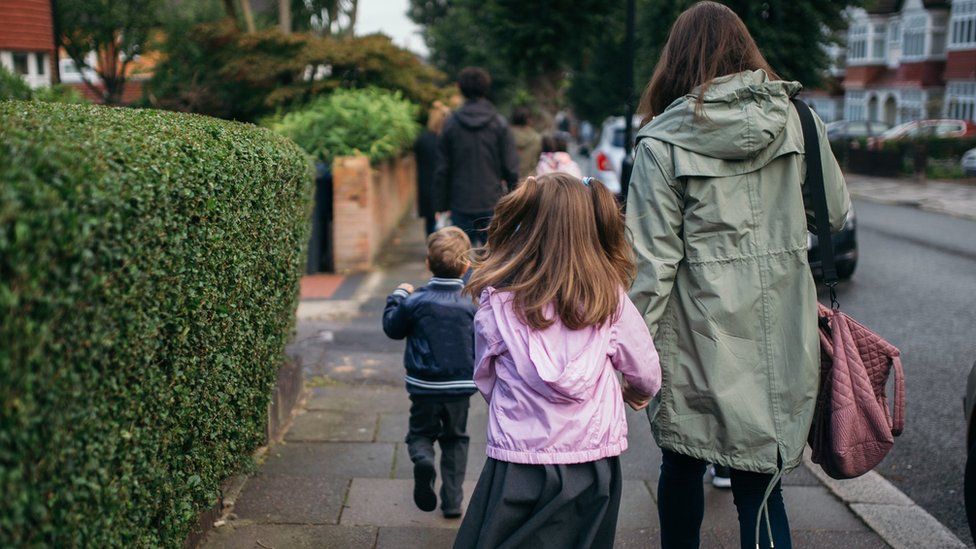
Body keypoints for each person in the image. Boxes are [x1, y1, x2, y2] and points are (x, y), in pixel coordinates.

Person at [625, 3, 851, 549]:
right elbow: (833, 215)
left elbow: (651, 266)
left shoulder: (662, 142)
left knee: (681, 466)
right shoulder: (798, 120)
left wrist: (625, 356)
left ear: (675, 61)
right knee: (761, 484)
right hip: (781, 338)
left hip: (695, 342)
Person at [454, 173, 662, 549]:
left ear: (527, 225)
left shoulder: (498, 301)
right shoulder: (609, 300)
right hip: (592, 459)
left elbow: (484, 377)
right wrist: (636, 390)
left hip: (517, 458)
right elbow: (646, 370)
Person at [382, 227, 478, 519]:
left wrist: (398, 295)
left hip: (424, 385)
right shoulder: (472, 303)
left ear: (427, 263)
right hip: (460, 386)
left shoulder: (416, 301)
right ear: (466, 266)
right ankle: (452, 502)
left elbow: (392, 328)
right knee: (455, 439)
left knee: (420, 434)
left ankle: (423, 458)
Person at [434, 67, 519, 247]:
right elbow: (511, 167)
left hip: (460, 201)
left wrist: (441, 205)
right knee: (496, 258)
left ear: (460, 89)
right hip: (492, 201)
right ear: (486, 88)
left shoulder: (450, 125)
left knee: (459, 258)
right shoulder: (498, 123)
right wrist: (513, 200)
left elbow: (443, 168)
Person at [414, 102, 451, 235]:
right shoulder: (448, 140)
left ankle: (432, 251)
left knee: (430, 224)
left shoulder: (422, 139)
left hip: (426, 187)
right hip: (445, 188)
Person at [510, 106, 542, 179]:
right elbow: (537, 159)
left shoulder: (506, 136)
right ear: (528, 120)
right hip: (530, 180)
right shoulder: (536, 138)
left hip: (510, 179)